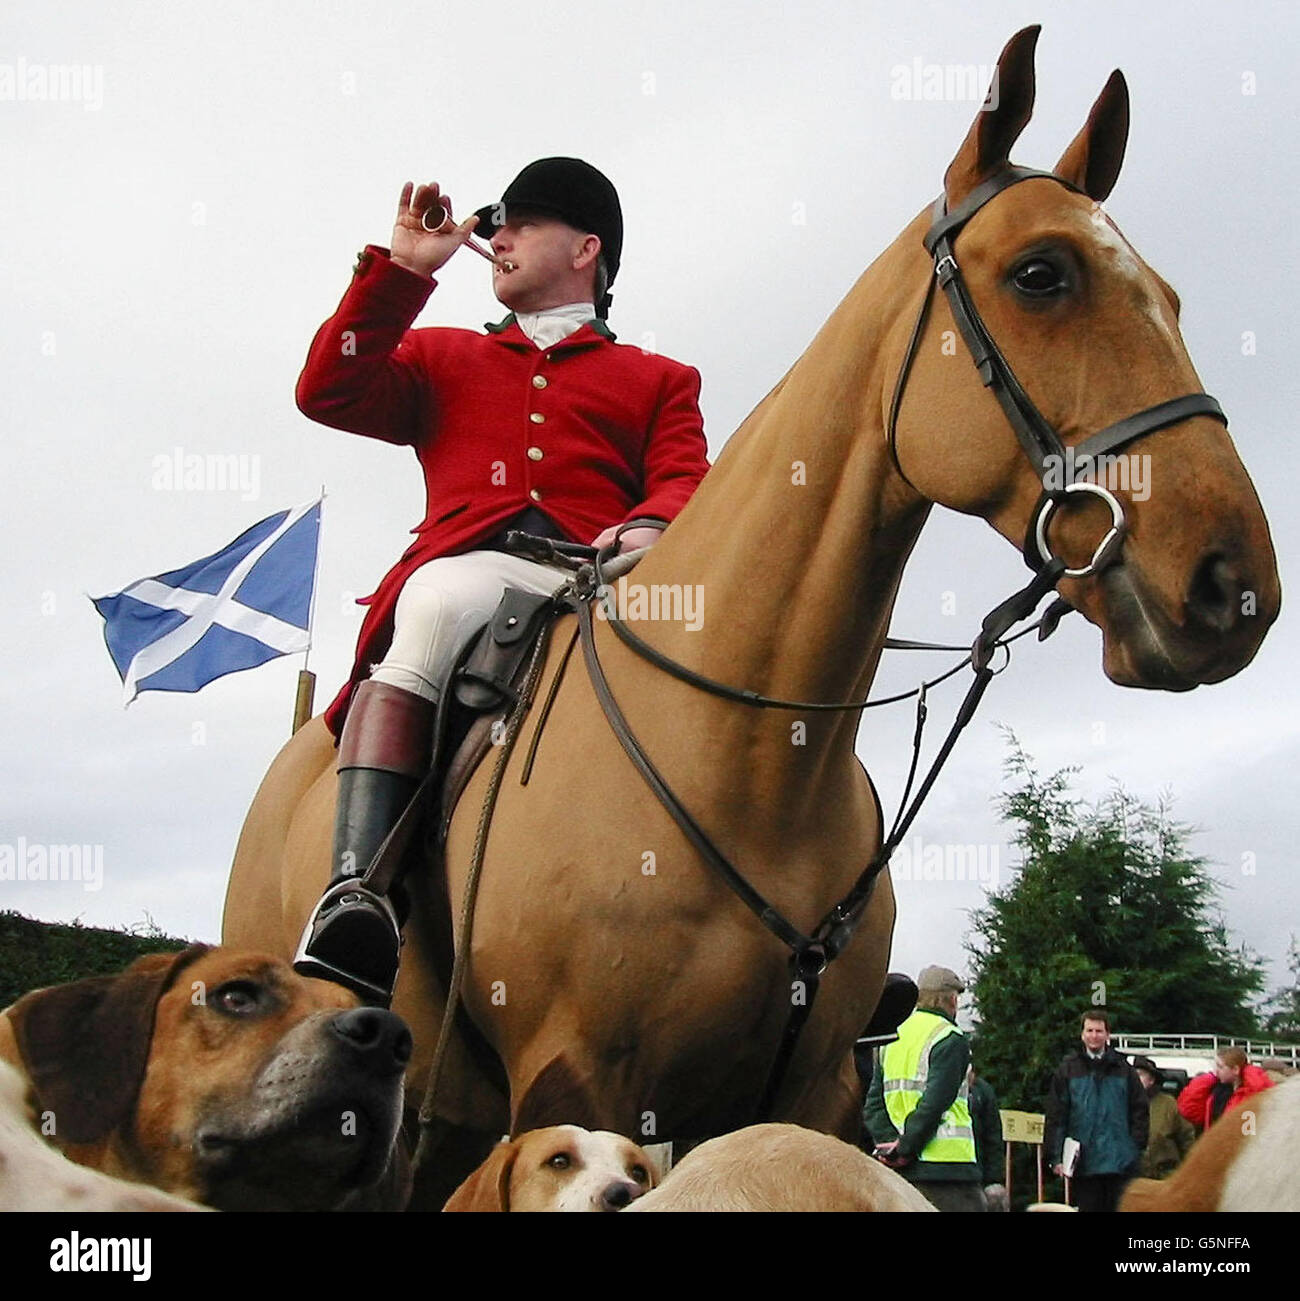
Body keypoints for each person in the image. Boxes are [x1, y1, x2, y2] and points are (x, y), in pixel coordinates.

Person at [290, 158, 710, 1003]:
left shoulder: (662, 379)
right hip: (480, 570)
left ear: (587, 248)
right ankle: (357, 892)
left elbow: (685, 479)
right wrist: (404, 273)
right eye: (496, 228)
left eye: (520, 224)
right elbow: (327, 390)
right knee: (442, 602)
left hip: (606, 576)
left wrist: (648, 524)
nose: (497, 239)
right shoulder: (444, 356)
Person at [864, 966, 986, 1211]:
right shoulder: (950, 1037)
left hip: (900, 1173)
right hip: (947, 1169)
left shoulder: (893, 1037)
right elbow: (934, 1103)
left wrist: (890, 1145)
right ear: (951, 999)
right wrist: (907, 1146)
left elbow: (873, 1103)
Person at [1044, 1010, 1148, 1212]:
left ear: (1107, 1035)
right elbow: (1057, 1116)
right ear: (1082, 1034)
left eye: (1099, 1031)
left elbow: (1140, 1111)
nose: (1094, 1035)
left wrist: (1134, 1149)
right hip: (1084, 1163)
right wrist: (1055, 1157)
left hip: (1120, 1164)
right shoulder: (1067, 1069)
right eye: (1089, 1030)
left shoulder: (1124, 1069)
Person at [1176, 1046, 1274, 1133]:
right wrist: (1208, 1078)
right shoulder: (1217, 1090)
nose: (1216, 1070)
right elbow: (1188, 1110)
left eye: (1220, 1067)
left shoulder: (1250, 1092)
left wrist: (1249, 1072)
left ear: (1235, 1069)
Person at [1131, 1055, 1195, 1179]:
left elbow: (1187, 1138)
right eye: (1134, 1075)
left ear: (1152, 1080)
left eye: (1141, 1074)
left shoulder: (1168, 1104)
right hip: (1134, 1178)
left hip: (1165, 1176)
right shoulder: (1122, 1102)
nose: (1136, 1079)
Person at [966, 1062, 1009, 1210]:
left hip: (979, 1173)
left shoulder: (983, 1092)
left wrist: (994, 1180)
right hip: (947, 1171)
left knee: (996, 1195)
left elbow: (993, 1139)